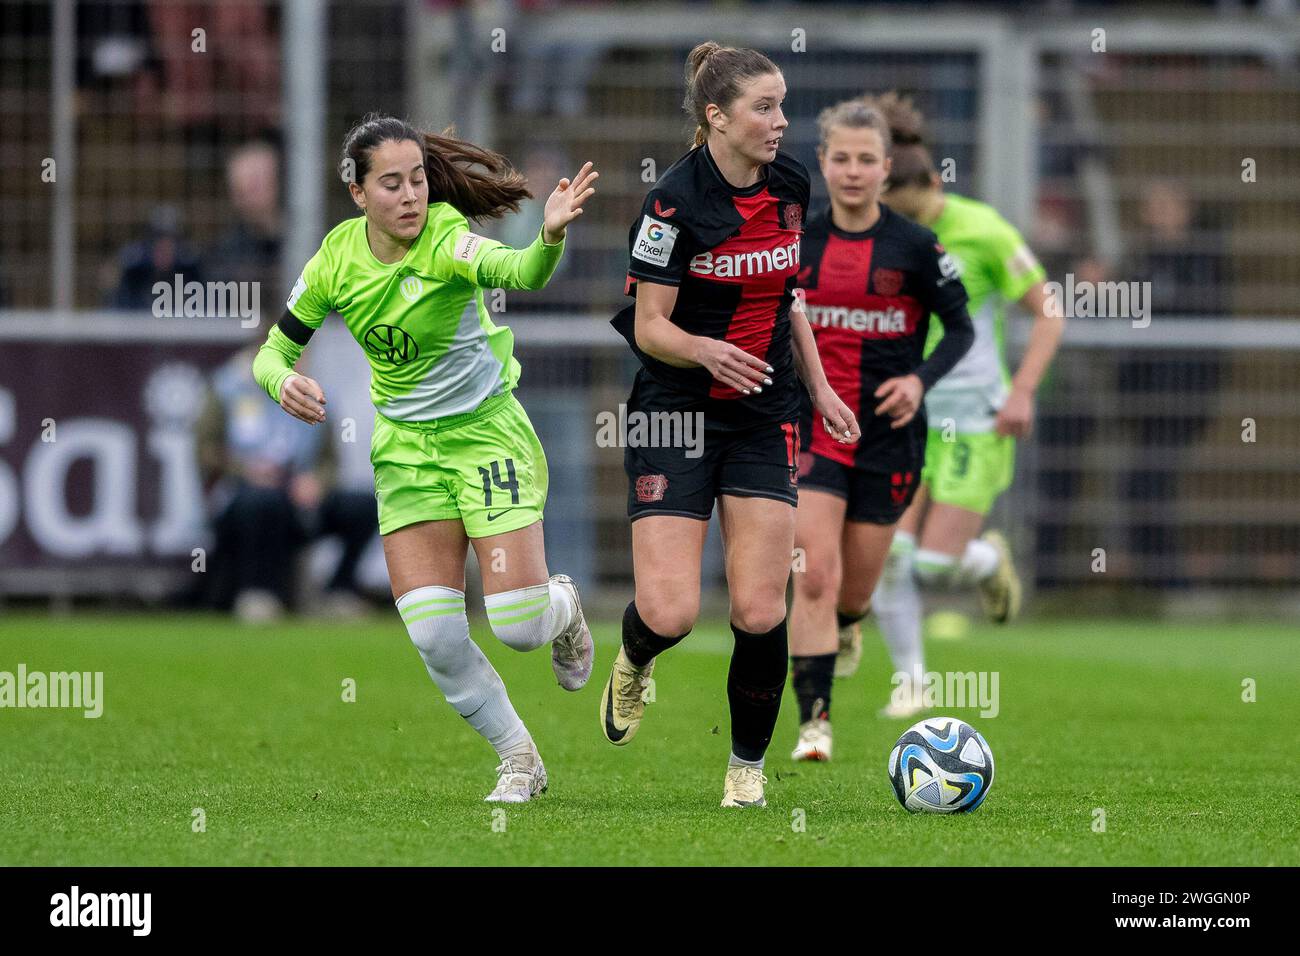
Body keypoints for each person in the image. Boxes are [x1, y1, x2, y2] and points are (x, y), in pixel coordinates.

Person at [252, 113, 599, 803]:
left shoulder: (445, 238)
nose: (410, 195)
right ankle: (519, 760)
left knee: (519, 627)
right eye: (391, 183)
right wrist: (281, 381)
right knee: (438, 638)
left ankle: (563, 606)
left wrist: (549, 236)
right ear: (357, 193)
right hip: (409, 457)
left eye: (416, 179)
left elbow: (517, 270)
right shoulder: (334, 259)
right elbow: (274, 349)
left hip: (485, 438)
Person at [599, 42, 858, 808]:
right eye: (764, 108)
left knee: (758, 607)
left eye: (782, 105)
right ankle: (636, 659)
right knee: (671, 611)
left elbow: (791, 301)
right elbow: (650, 327)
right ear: (717, 117)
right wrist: (706, 350)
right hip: (674, 413)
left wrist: (821, 389)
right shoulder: (673, 204)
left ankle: (746, 770)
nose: (781, 122)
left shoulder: (791, 185)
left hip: (763, 414)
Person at [858, 92, 1064, 717]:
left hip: (975, 418)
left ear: (932, 185)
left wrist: (1023, 391)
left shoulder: (983, 230)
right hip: (905, 415)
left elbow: (1048, 312)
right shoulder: (877, 233)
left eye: (910, 209)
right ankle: (912, 680)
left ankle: (984, 561)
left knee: (936, 564)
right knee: (889, 553)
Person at [785, 96, 975, 761]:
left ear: (887, 167)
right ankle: (814, 724)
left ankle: (846, 624)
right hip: (813, 431)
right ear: (824, 164)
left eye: (868, 160)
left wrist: (919, 379)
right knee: (812, 575)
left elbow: (963, 329)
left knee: (854, 590)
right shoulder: (798, 242)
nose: (854, 171)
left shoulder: (916, 247)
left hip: (889, 436)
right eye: (842, 158)